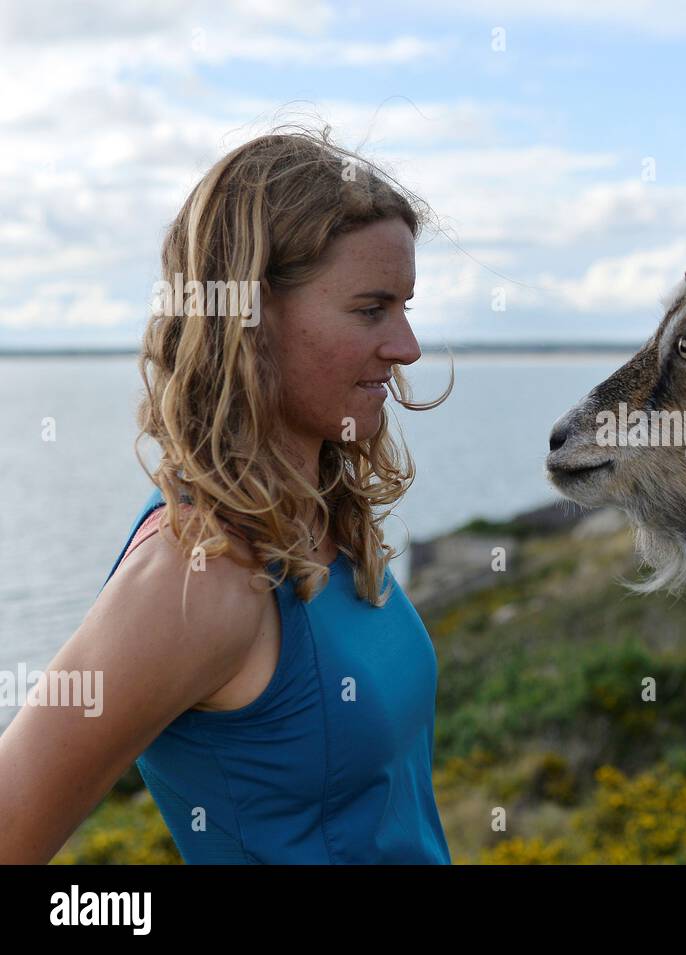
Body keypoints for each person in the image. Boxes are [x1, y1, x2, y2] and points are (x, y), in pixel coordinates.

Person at [0, 128, 455, 863]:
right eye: (372, 309)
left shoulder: (321, 516)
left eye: (405, 305)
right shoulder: (196, 576)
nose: (407, 346)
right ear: (249, 318)